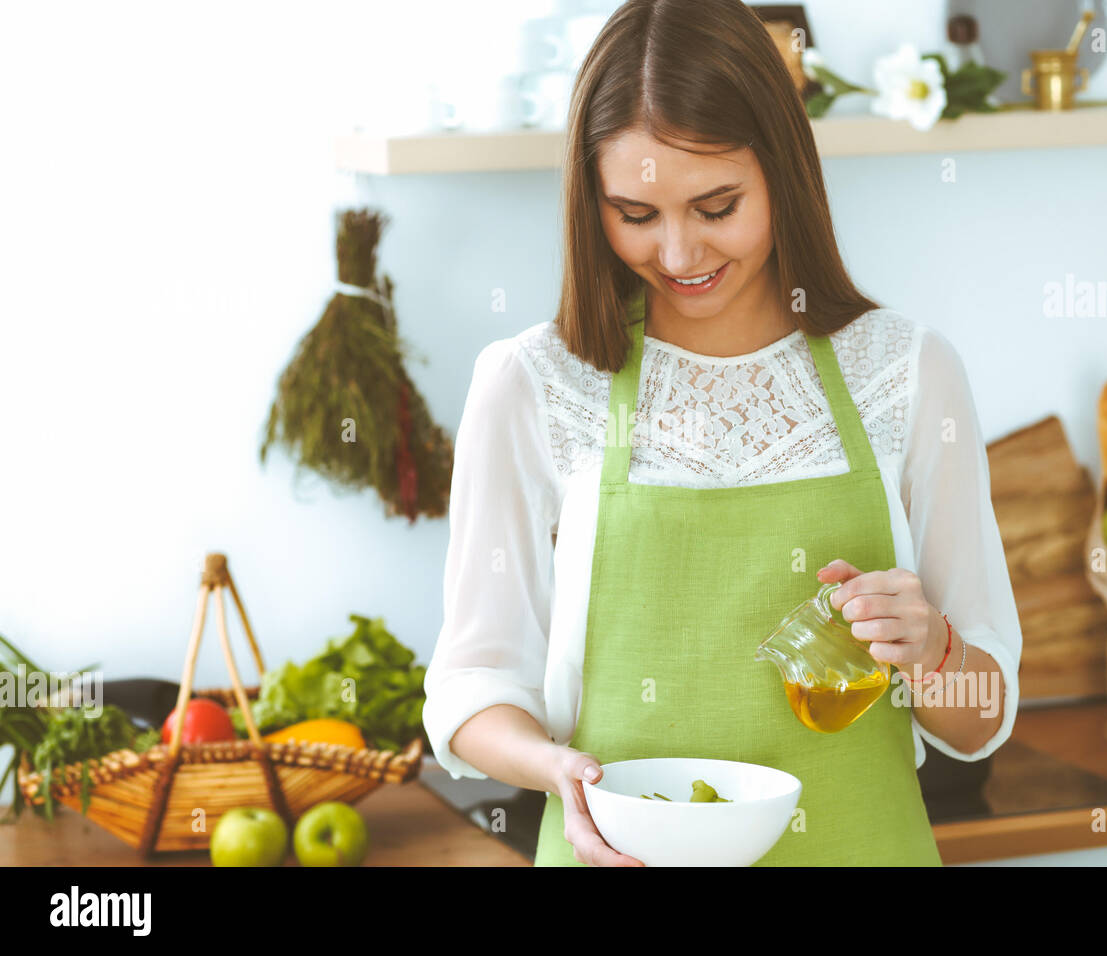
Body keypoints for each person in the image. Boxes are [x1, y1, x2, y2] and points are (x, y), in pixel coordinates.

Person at [423, 0, 1022, 866]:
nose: (677, 254)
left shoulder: (907, 372)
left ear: (784, 169)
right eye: (635, 214)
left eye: (717, 206)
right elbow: (471, 690)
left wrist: (933, 649)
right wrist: (557, 769)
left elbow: (982, 718)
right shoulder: (534, 384)